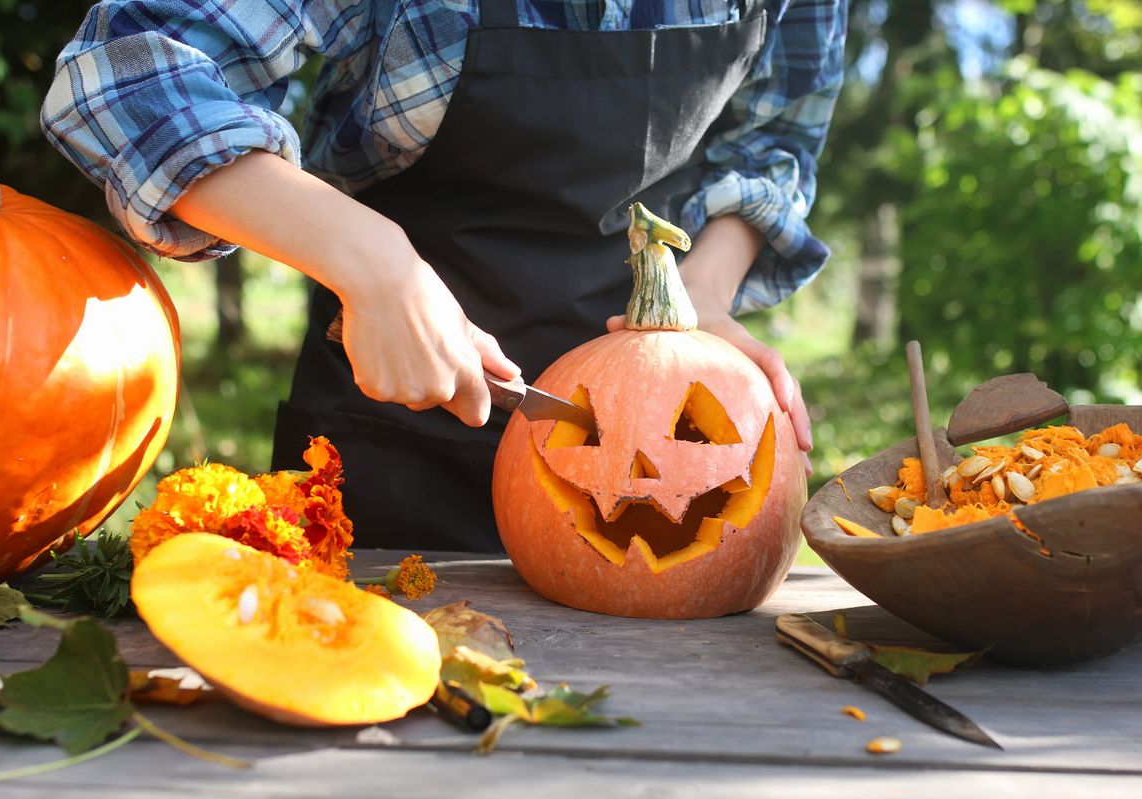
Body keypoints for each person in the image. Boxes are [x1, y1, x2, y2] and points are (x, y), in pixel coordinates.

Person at [43, 0, 846, 552]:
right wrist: (373, 264)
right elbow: (125, 75)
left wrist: (702, 295)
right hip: (389, 411)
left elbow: (775, 136)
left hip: (656, 383)